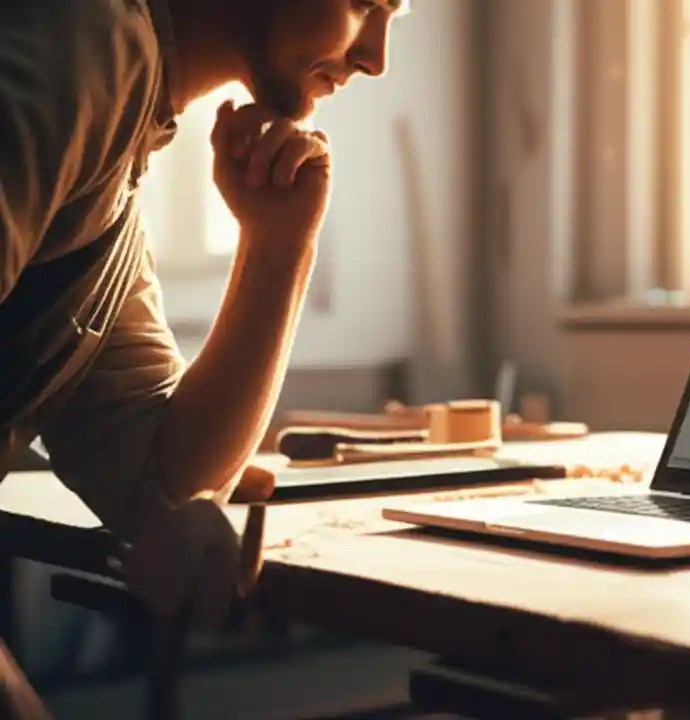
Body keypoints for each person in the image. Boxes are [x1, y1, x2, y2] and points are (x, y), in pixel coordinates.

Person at [0, 0, 405, 715]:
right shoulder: (85, 44)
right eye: (366, 4)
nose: (375, 56)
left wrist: (278, 245)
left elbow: (162, 476)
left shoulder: (121, 142)